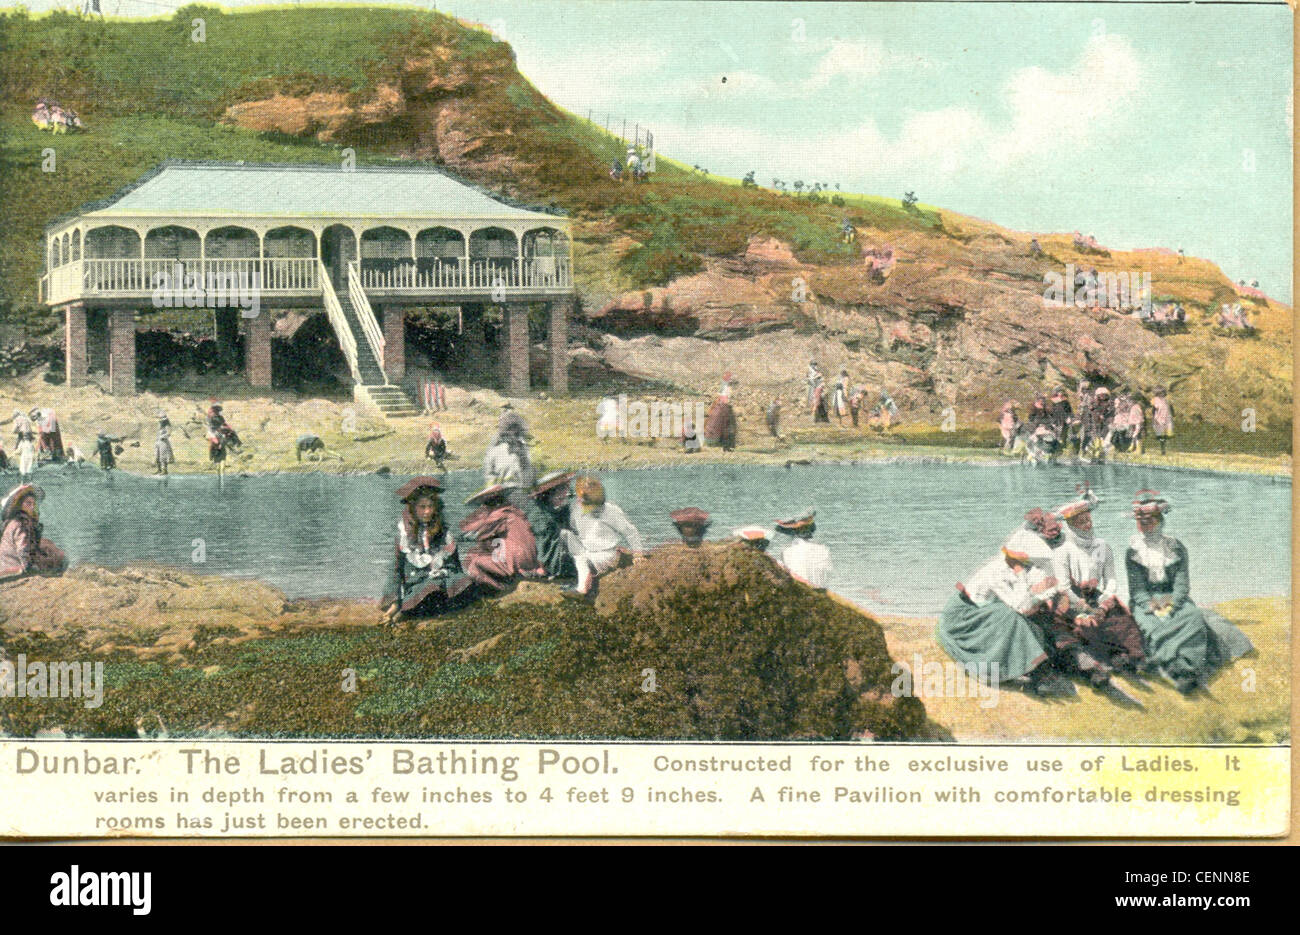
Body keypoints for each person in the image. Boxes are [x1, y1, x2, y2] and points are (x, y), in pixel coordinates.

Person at [1125, 491, 1252, 694]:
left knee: (1192, 618)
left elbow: (1182, 583)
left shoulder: (1176, 548)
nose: (1145, 526)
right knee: (1151, 624)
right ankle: (1173, 667)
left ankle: (1187, 671)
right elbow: (1136, 588)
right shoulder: (1133, 551)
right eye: (1141, 523)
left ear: (1159, 521)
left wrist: (1173, 603)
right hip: (1146, 600)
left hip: (1173, 596)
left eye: (1149, 521)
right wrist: (1149, 604)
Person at [937, 541, 1069, 696]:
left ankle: (1039, 667)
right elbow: (1021, 607)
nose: (1027, 564)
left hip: (985, 608)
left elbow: (1039, 585)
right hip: (965, 615)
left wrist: (1046, 592)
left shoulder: (1017, 568)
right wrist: (1023, 578)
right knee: (1012, 618)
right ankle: (1035, 671)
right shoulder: (997, 572)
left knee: (1029, 617)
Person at [1053, 496, 1145, 673]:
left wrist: (1103, 604)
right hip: (1071, 598)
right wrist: (1086, 608)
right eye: (1080, 522)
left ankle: (1133, 657)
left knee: (1120, 619)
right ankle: (1110, 657)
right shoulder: (1062, 552)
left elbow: (1111, 580)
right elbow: (1063, 587)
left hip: (1095, 596)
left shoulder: (1103, 546)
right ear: (1070, 526)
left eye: (1088, 520)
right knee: (1085, 625)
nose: (1087, 525)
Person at [381, 477, 469, 623]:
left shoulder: (443, 532)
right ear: (413, 508)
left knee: (465, 582)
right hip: (418, 587)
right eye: (422, 507)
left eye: (430, 506)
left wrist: (450, 576)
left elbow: (455, 565)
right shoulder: (403, 536)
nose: (427, 512)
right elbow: (395, 571)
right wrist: (394, 604)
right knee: (430, 589)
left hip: (443, 582)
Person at [562, 475, 643, 596]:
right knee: (565, 534)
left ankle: (582, 588)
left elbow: (630, 532)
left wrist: (637, 553)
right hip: (587, 550)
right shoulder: (576, 510)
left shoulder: (610, 511)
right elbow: (574, 529)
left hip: (606, 554)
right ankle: (579, 574)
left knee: (582, 559)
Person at [459, 482, 541, 592]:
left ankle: (500, 589)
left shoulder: (499, 514)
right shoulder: (515, 511)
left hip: (518, 561)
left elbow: (474, 532)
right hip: (530, 559)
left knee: (472, 559)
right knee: (484, 549)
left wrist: (465, 534)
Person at [0, 484, 66, 578]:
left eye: (33, 504)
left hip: (9, 563)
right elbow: (23, 549)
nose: (32, 507)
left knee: (49, 546)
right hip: (12, 567)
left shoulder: (17, 521)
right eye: (28, 503)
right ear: (19, 505)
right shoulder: (20, 524)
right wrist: (30, 568)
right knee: (56, 557)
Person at [523, 471, 577, 580]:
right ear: (549, 493)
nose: (565, 493)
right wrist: (543, 569)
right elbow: (543, 543)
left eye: (566, 488)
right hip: (556, 563)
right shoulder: (540, 516)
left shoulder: (560, 508)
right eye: (561, 490)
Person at [773, 510, 831, 589]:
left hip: (800, 591)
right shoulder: (823, 550)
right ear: (811, 531)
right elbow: (826, 576)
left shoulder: (787, 552)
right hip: (820, 593)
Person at [483, 412, 535, 488]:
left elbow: (528, 474)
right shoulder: (495, 450)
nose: (513, 434)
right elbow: (489, 474)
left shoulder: (523, 448)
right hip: (502, 490)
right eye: (510, 431)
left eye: (516, 432)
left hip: (522, 488)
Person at [1151, 387, 1174, 455]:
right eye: (1160, 393)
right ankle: (1162, 449)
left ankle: (1164, 447)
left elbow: (1171, 407)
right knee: (1161, 434)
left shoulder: (1167, 400)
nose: (1162, 394)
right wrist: (1154, 418)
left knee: (1166, 434)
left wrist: (1173, 414)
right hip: (1159, 418)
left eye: (1163, 393)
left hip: (1167, 418)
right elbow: (1153, 409)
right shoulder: (1154, 400)